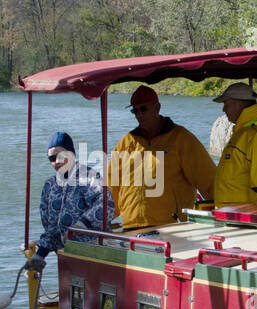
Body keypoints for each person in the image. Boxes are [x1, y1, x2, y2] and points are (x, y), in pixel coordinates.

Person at [105, 85, 217, 231]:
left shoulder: (181, 139)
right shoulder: (125, 143)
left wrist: (225, 214)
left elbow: (208, 180)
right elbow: (111, 189)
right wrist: (102, 220)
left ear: (157, 107)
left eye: (143, 109)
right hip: (132, 227)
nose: (139, 114)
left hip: (171, 227)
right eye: (135, 110)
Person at [25, 132, 112, 273]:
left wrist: (83, 224)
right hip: (68, 257)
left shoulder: (88, 177)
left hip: (96, 255)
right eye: (52, 158)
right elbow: (51, 229)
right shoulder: (50, 186)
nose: (57, 162)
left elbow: (106, 204)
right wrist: (40, 254)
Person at [211, 82, 257, 205]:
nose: (223, 109)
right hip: (233, 216)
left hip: (244, 219)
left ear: (238, 104)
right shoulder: (244, 133)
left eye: (226, 104)